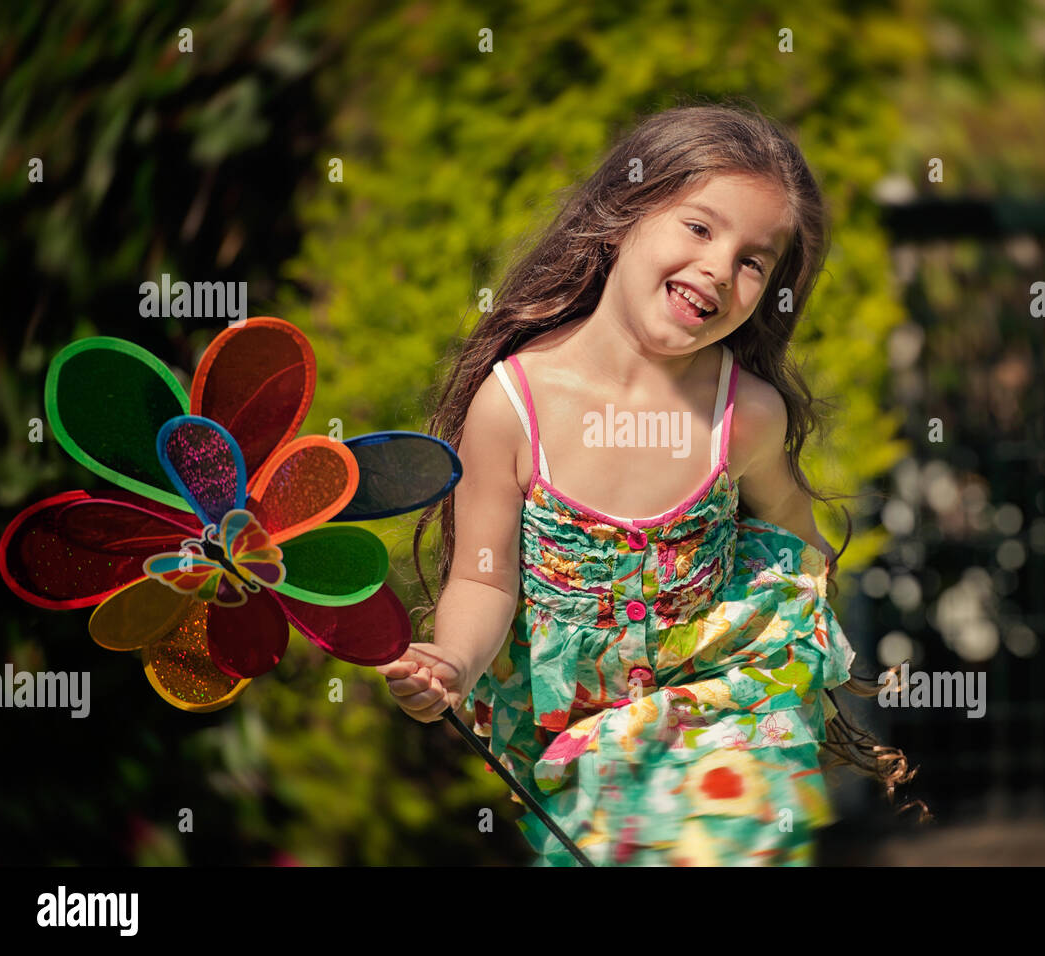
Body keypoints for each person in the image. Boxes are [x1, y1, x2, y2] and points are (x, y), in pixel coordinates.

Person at [378, 100, 925, 865]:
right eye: (699, 227)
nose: (718, 268)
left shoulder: (745, 417)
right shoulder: (513, 405)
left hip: (723, 712)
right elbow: (485, 576)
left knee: (708, 835)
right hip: (578, 737)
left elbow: (799, 547)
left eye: (752, 261)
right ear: (619, 216)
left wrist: (790, 646)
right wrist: (454, 663)